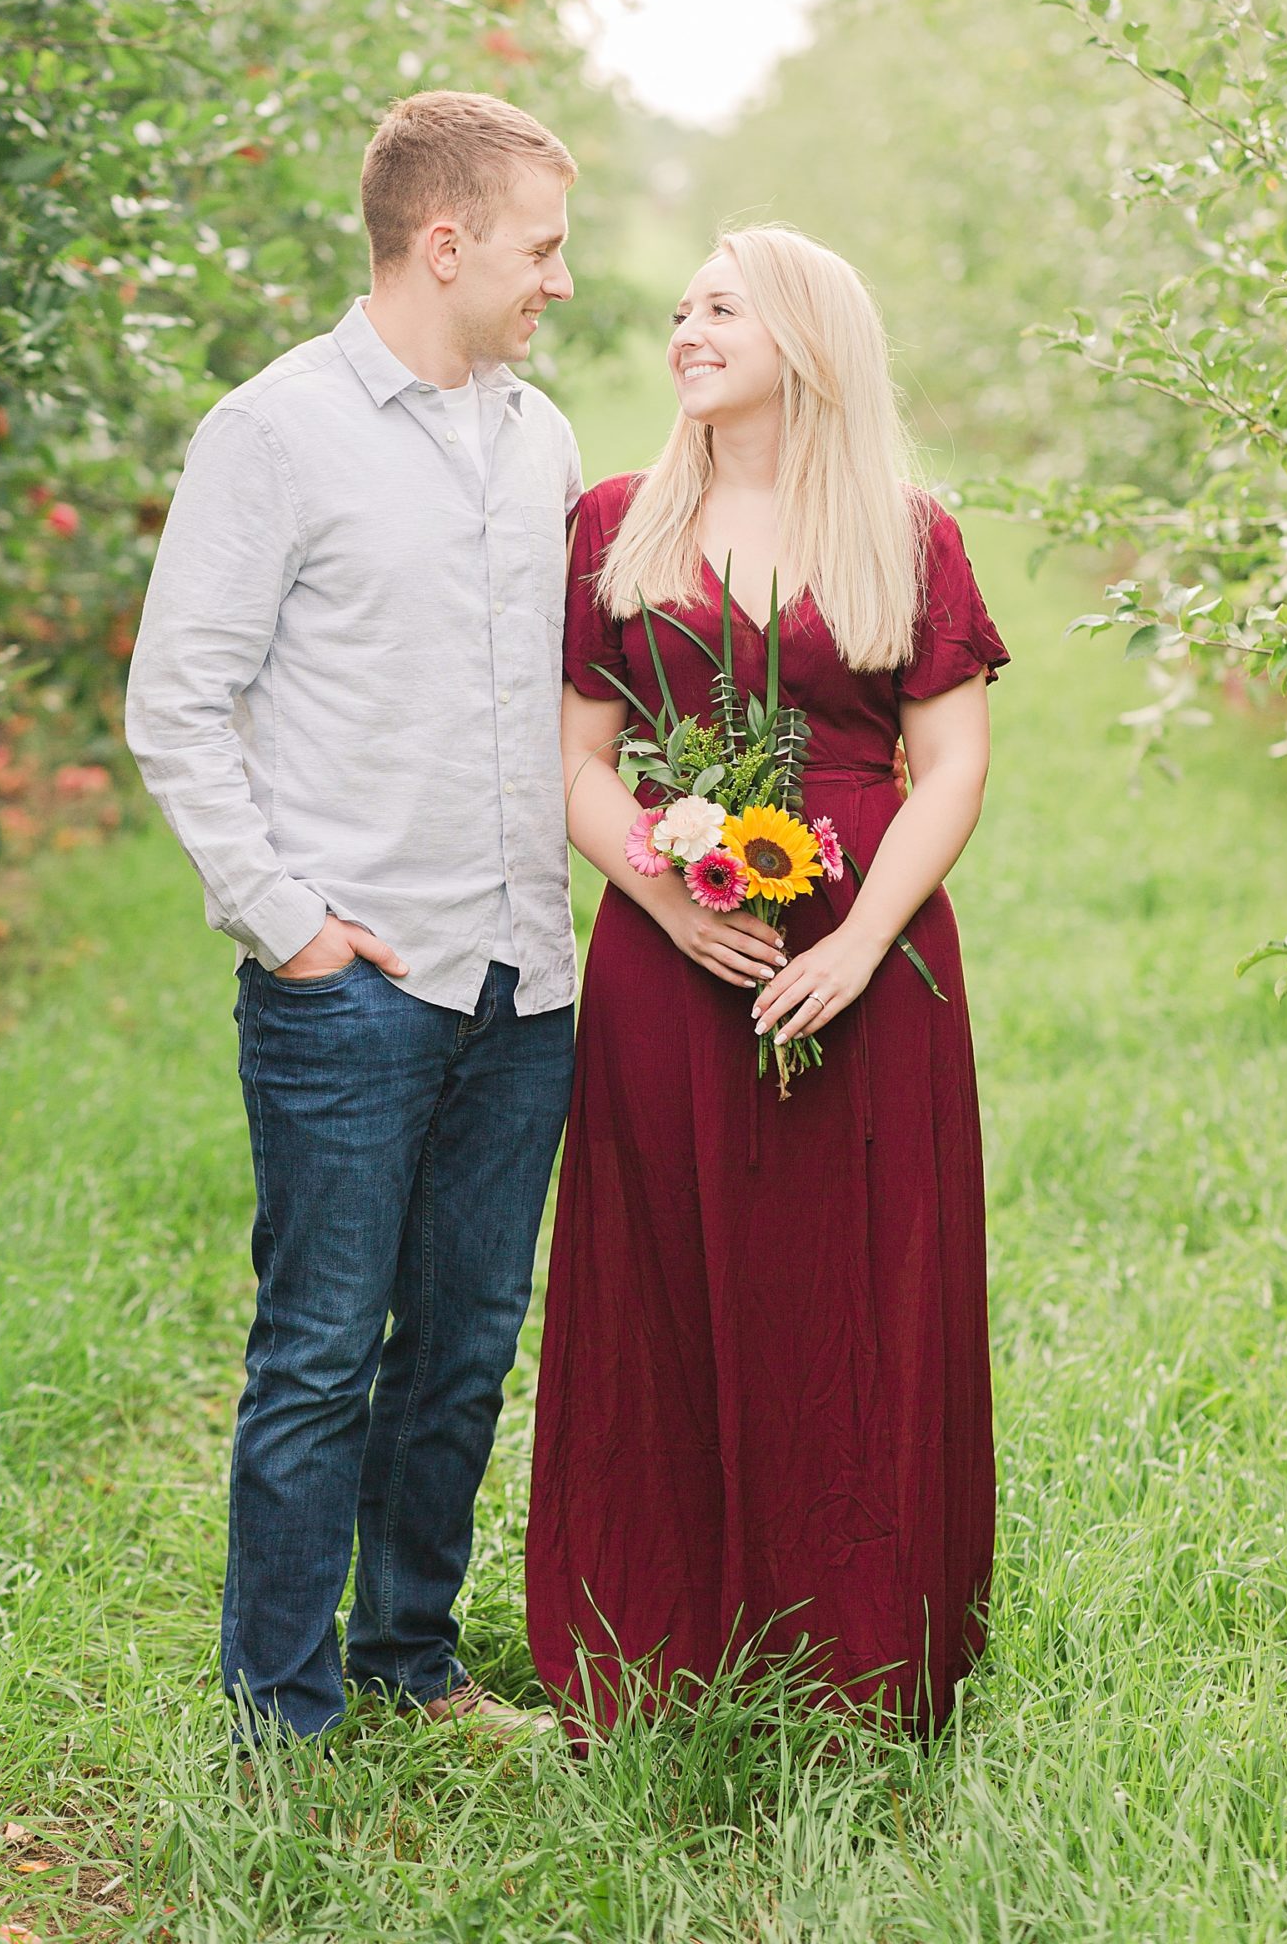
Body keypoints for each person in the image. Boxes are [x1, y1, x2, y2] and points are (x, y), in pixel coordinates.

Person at [127, 89, 582, 1745]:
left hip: (524, 978)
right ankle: (281, 1709)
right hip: (355, 987)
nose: (561, 282)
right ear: (443, 243)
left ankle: (410, 1656)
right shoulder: (275, 432)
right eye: (542, 249)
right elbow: (176, 703)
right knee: (320, 1354)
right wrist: (289, 927)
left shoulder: (541, 439)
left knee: (461, 1352)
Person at [527, 223, 1007, 1736]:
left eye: (721, 308)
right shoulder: (619, 521)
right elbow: (576, 758)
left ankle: (860, 1645)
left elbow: (951, 765)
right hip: (672, 952)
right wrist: (663, 902)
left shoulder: (907, 533)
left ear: (805, 337)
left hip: (870, 955)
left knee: (856, 1282)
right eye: (682, 309)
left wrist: (861, 946)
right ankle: (661, 1640)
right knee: (665, 1272)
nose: (686, 330)